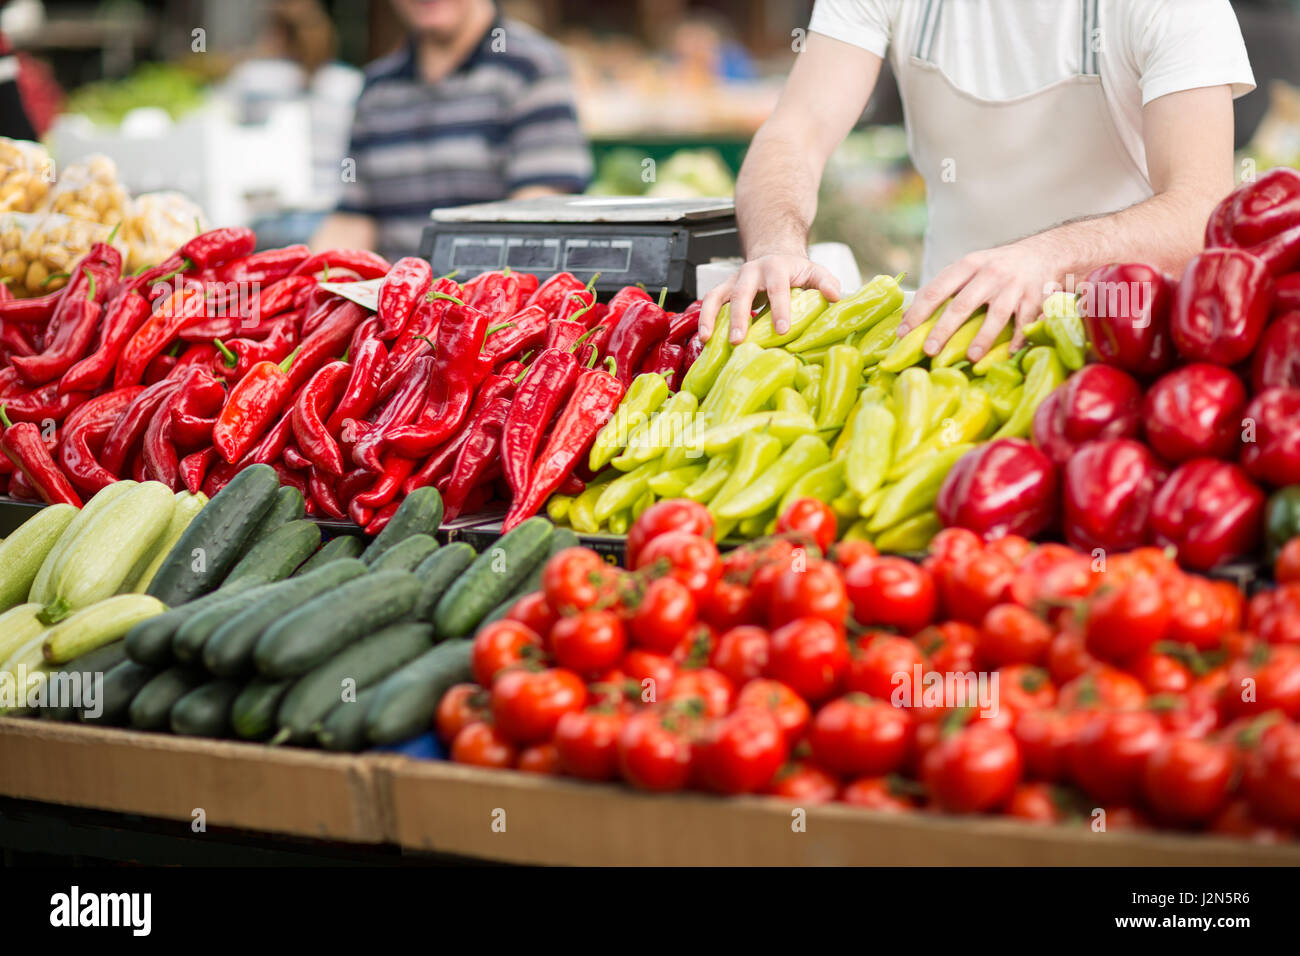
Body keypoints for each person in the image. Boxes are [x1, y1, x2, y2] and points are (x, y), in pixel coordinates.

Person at [700, 0, 1256, 366]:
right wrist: (776, 247)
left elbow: (1201, 209)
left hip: (1114, 349)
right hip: (940, 345)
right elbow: (794, 132)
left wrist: (1046, 256)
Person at [313, 0, 592, 262]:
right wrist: (311, 282)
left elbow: (539, 211)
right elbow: (352, 218)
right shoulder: (377, 89)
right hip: (396, 301)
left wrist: (450, 290)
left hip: (489, 302)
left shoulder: (532, 68)